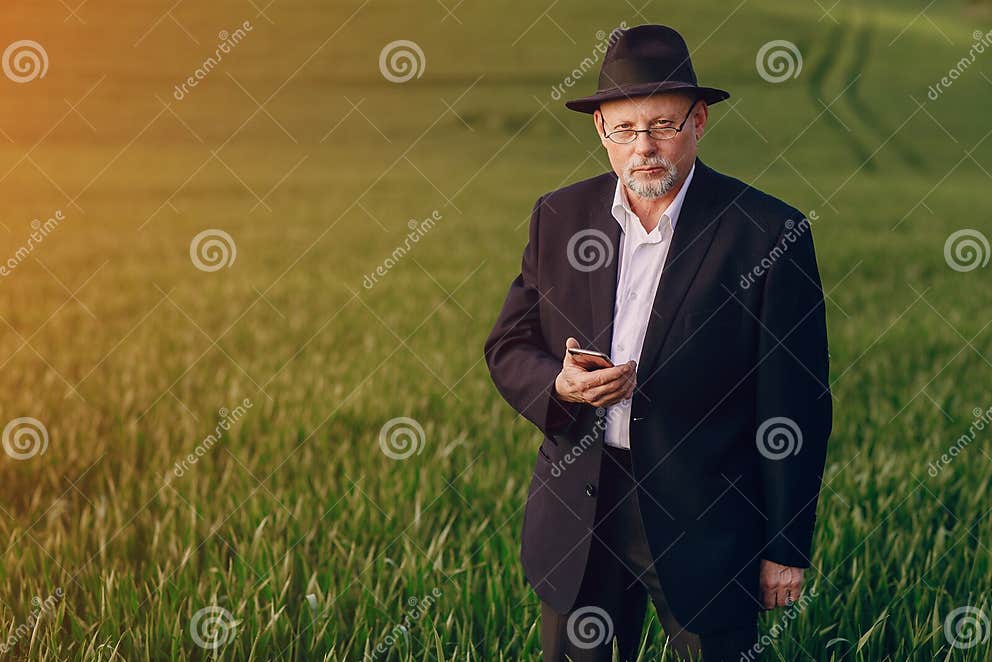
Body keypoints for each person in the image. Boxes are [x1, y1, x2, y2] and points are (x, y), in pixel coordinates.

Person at [484, 24, 833, 661]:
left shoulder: (766, 232)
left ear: (698, 121)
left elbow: (796, 401)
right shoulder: (560, 217)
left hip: (707, 519)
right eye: (624, 129)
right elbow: (509, 345)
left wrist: (785, 546)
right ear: (601, 131)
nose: (644, 147)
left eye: (663, 125)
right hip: (580, 511)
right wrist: (559, 386)